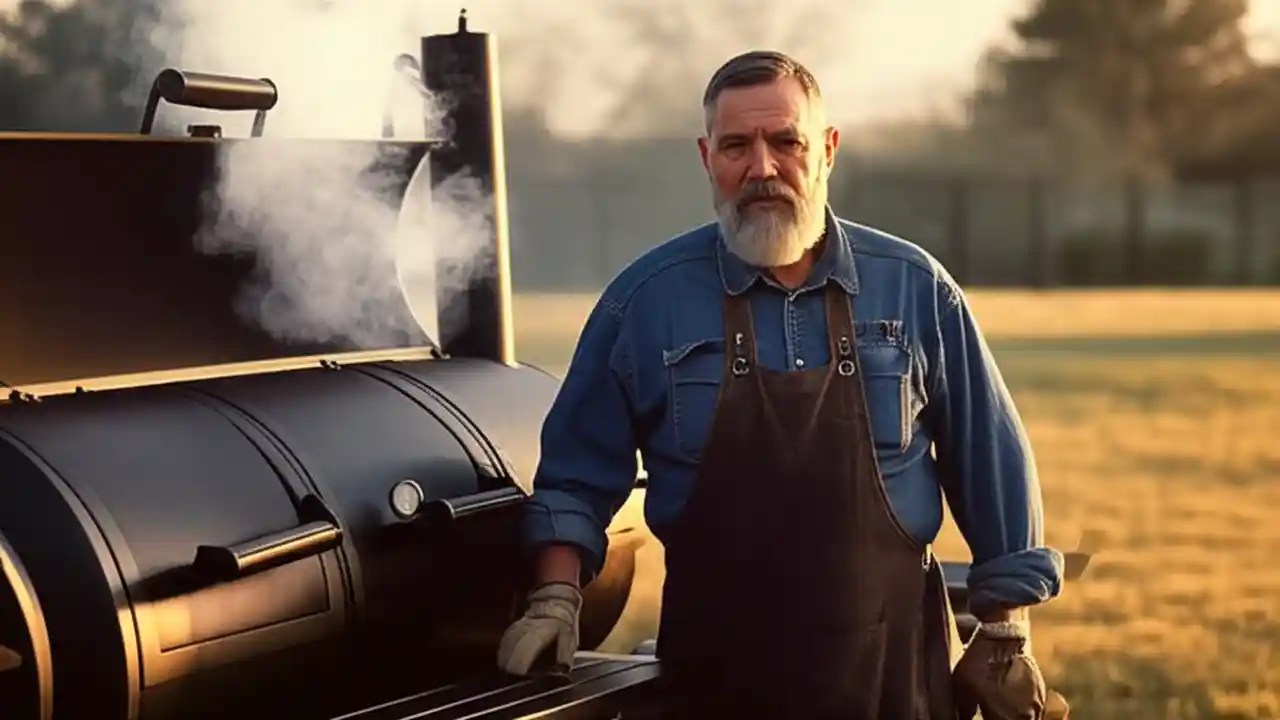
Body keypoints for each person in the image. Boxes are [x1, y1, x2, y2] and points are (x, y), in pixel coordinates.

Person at [497, 50, 1066, 719]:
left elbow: (989, 460)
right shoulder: (645, 303)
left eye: (786, 142)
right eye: (737, 145)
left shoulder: (915, 289)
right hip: (712, 682)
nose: (762, 168)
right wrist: (557, 597)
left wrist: (1004, 632)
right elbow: (574, 476)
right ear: (707, 157)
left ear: (827, 149)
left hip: (895, 678)